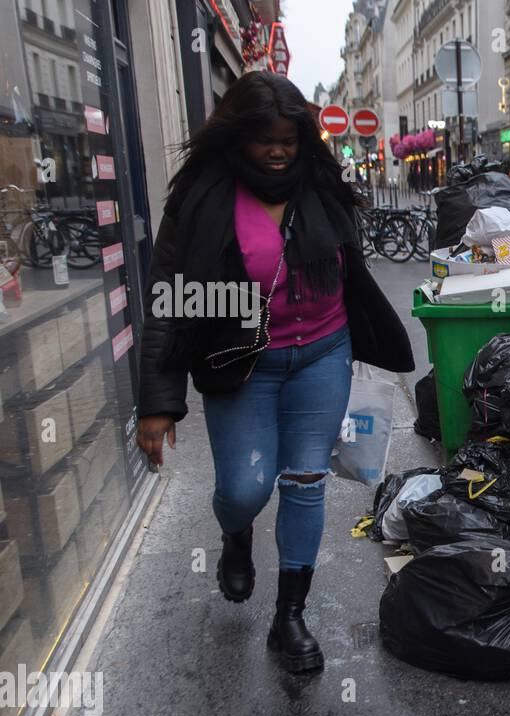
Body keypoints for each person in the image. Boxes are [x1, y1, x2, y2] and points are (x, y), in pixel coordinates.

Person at [135, 71, 414, 673]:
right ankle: (236, 535)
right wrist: (156, 401)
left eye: (290, 137)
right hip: (241, 365)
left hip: (322, 353)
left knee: (305, 481)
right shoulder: (201, 197)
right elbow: (168, 297)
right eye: (266, 138)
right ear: (239, 136)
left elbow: (350, 272)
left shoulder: (322, 187)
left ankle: (290, 616)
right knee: (244, 488)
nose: (280, 149)